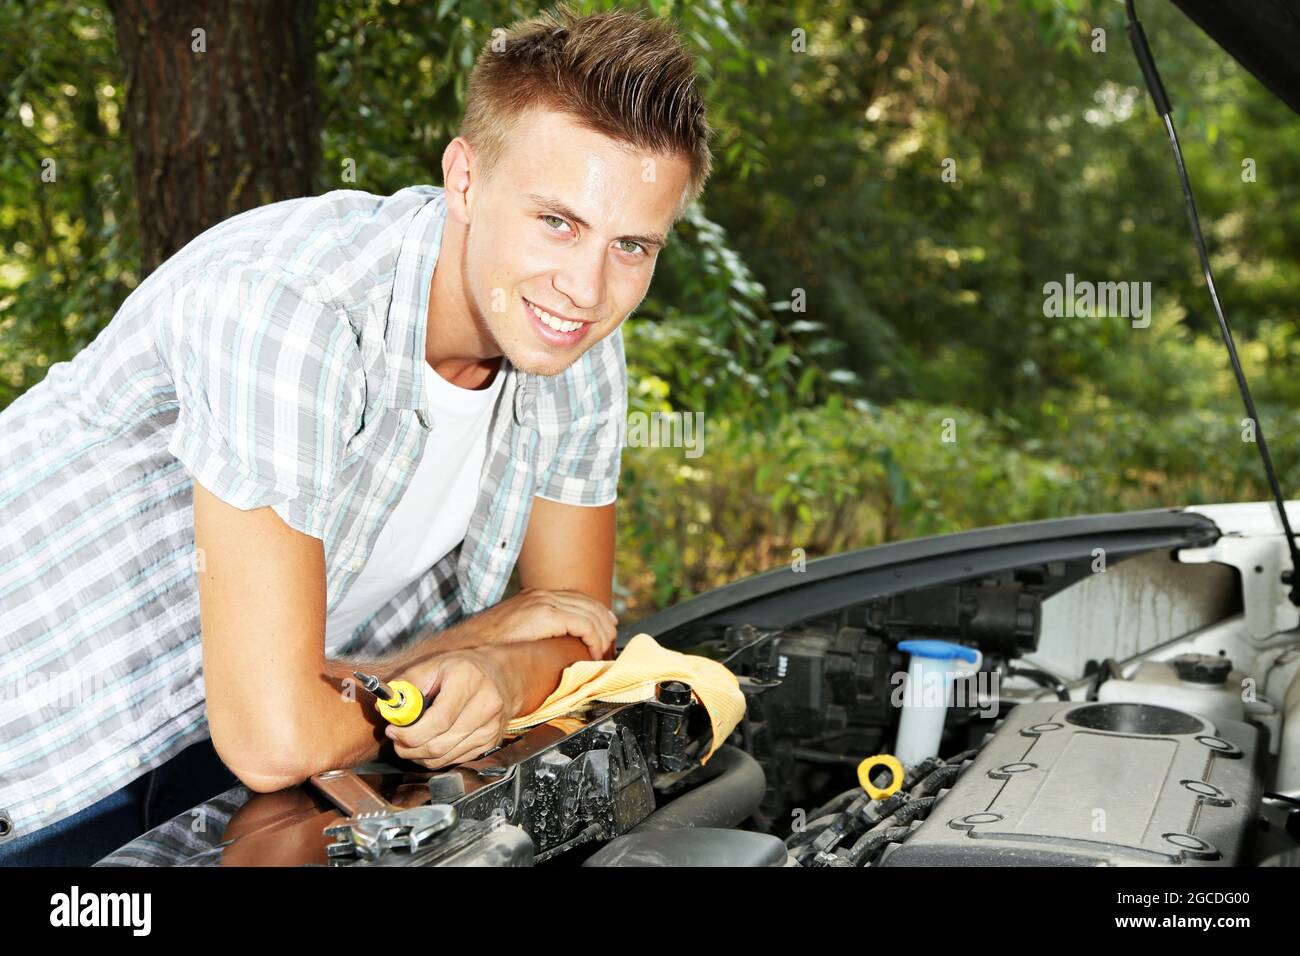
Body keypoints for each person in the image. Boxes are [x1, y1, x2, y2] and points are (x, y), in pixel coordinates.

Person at [0, 3, 713, 865]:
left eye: (633, 245)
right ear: (465, 179)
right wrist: (459, 654)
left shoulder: (573, 340)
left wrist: (497, 673)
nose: (588, 286)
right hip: (34, 763)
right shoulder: (294, 308)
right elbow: (272, 737)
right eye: (556, 221)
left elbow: (576, 631)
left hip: (198, 793)